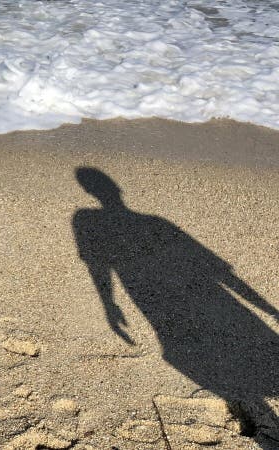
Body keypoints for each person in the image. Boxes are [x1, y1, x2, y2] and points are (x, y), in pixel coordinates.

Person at [72, 167, 279, 444]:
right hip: (205, 296)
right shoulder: (153, 222)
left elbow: (97, 266)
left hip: (149, 294)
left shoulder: (87, 220)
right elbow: (224, 275)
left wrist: (109, 304)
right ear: (115, 189)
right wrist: (266, 309)